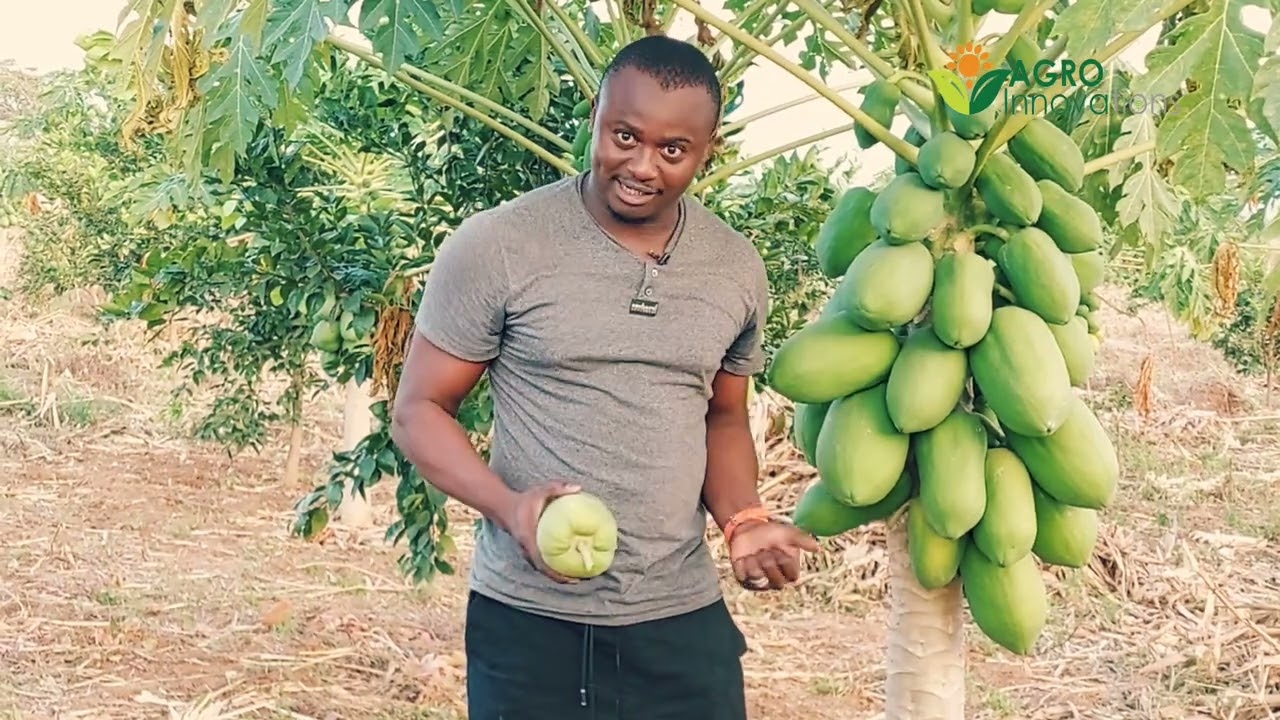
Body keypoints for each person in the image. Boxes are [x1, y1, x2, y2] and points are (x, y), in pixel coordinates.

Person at [390, 33, 820, 720]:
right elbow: (419, 410)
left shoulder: (735, 267)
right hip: (530, 620)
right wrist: (511, 510)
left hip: (680, 616)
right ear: (595, 114)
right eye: (624, 135)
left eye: (673, 150)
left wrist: (744, 519)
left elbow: (722, 415)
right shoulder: (500, 246)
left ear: (708, 149)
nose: (642, 166)